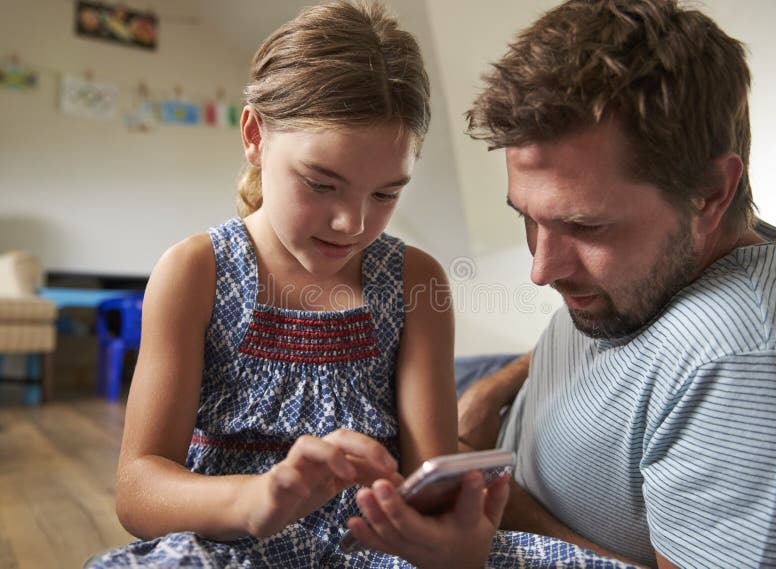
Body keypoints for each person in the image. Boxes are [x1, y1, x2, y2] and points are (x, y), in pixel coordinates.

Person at [85, 2, 506, 567]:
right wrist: (254, 500)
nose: (352, 224)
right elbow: (137, 491)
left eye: (385, 194)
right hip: (228, 549)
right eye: (321, 183)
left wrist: (451, 538)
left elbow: (425, 482)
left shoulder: (414, 281)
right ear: (255, 135)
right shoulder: (196, 271)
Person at [455, 0, 776, 568]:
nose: (541, 270)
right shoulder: (662, 264)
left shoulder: (744, 367)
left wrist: (502, 507)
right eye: (527, 217)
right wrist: (492, 392)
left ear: (711, 192)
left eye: (585, 225)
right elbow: (619, 355)